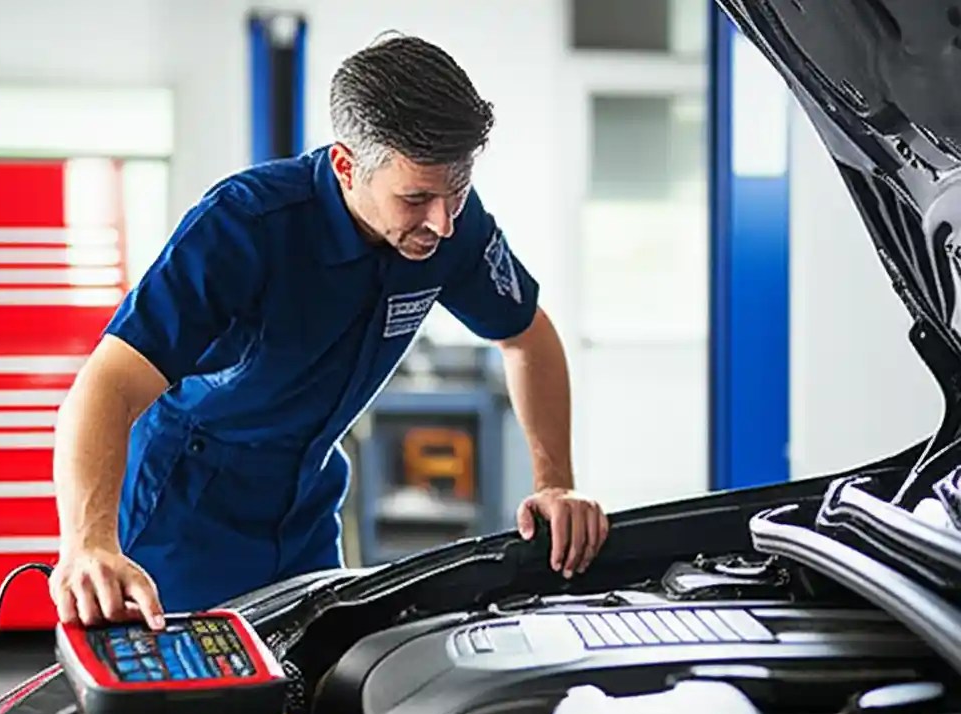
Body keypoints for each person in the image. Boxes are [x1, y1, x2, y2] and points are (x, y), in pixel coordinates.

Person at [48, 34, 609, 629]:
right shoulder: (245, 226)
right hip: (183, 517)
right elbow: (107, 383)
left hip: (305, 512)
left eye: (457, 193)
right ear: (347, 166)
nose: (442, 223)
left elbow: (528, 335)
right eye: (416, 197)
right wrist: (89, 543)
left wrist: (556, 484)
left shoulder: (452, 225)